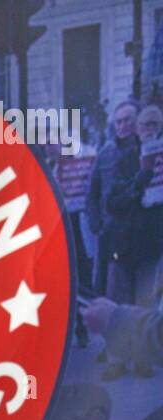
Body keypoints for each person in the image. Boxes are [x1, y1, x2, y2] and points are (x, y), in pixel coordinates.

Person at [86, 100, 142, 377]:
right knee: (114, 296)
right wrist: (96, 223)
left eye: (128, 120)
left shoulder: (149, 150)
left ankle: (141, 356)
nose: (123, 125)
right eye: (119, 121)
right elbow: (92, 192)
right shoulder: (106, 154)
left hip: (143, 234)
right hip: (112, 235)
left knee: (141, 296)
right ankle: (116, 356)